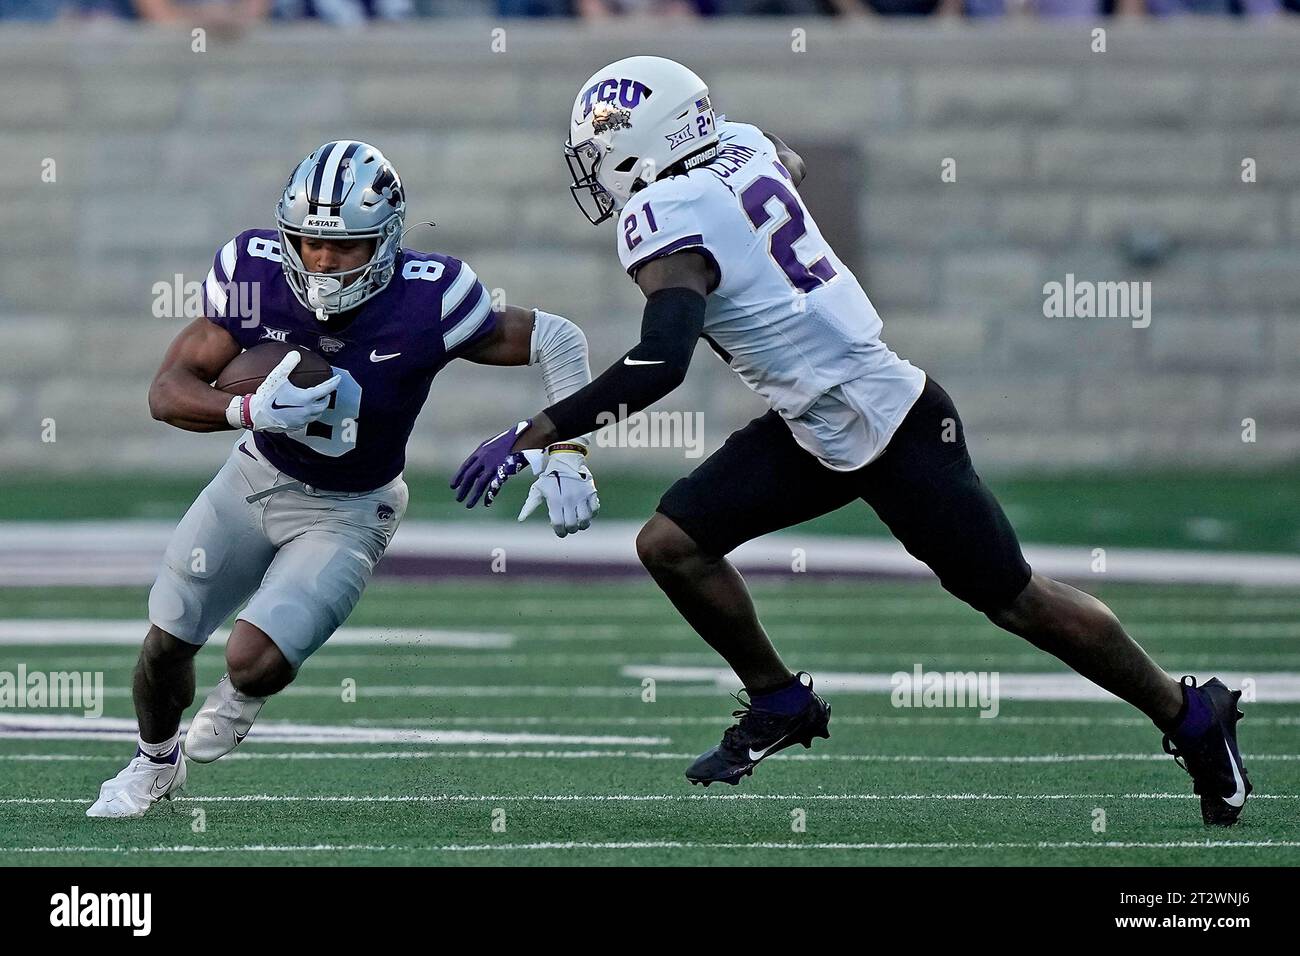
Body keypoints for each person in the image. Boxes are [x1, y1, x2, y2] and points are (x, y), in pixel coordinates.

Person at [453, 57, 1252, 826]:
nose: (596, 172)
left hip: (891, 420)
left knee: (1017, 600)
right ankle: (778, 700)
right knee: (672, 543)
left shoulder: (660, 214)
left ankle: (1190, 715)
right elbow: (786, 166)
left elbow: (660, 363)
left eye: (601, 152)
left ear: (645, 141)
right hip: (813, 420)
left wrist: (541, 431)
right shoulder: (742, 143)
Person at [88, 140, 600, 818]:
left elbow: (558, 340)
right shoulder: (253, 274)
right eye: (306, 242)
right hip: (256, 476)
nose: (322, 261)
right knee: (165, 642)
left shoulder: (430, 297)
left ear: (386, 242)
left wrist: (568, 447)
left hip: (353, 506)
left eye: (345, 247)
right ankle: (154, 764)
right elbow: (168, 390)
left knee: (254, 662)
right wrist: (244, 408)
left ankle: (243, 698)